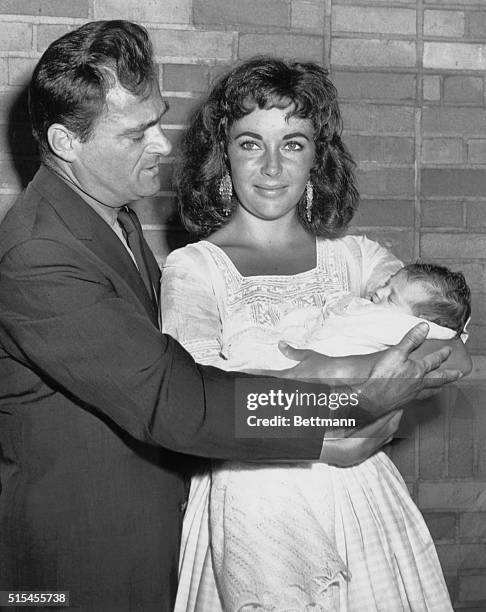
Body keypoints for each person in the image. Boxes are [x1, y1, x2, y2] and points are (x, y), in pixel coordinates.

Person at [0, 23, 460, 612]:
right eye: (138, 132)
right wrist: (350, 407)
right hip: (81, 560)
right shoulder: (39, 253)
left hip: (160, 532)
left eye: (159, 118)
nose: (163, 145)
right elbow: (176, 397)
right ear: (67, 142)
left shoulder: (107, 214)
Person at [161, 57, 471, 611]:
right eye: (251, 143)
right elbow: (197, 400)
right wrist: (347, 411)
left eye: (294, 144)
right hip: (250, 504)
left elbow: (450, 355)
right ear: (222, 154)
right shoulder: (193, 269)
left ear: (317, 158)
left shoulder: (357, 260)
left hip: (360, 500)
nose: (273, 167)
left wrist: (312, 374)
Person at [302, 262, 471, 354]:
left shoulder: (401, 329)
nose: (379, 291)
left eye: (391, 298)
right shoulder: (379, 312)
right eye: (386, 283)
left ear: (416, 322)